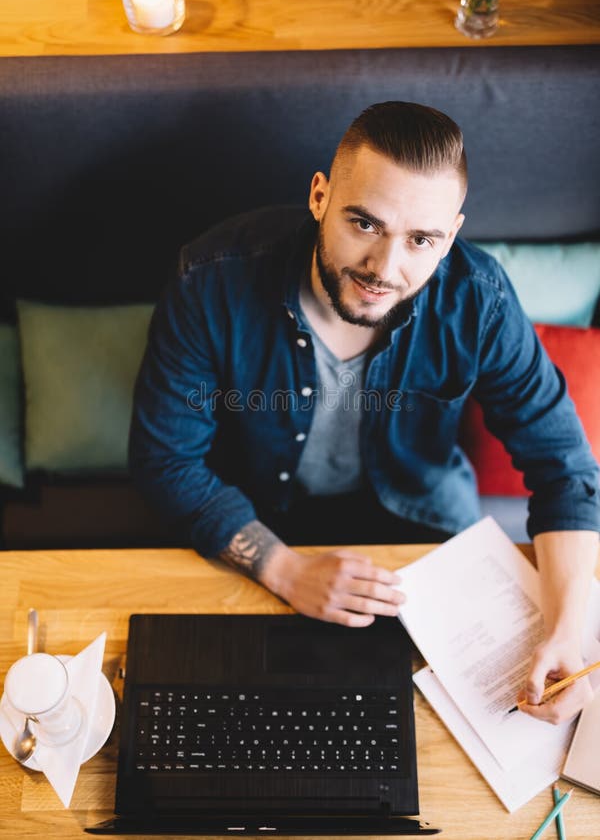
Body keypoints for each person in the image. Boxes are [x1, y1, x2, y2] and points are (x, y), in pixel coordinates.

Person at [129, 101, 600, 726]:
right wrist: (284, 568)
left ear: (450, 235)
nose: (385, 269)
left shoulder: (478, 299)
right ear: (320, 196)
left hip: (426, 531)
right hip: (261, 521)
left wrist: (571, 631)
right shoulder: (211, 279)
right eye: (365, 224)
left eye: (420, 240)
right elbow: (165, 461)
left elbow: (565, 467)